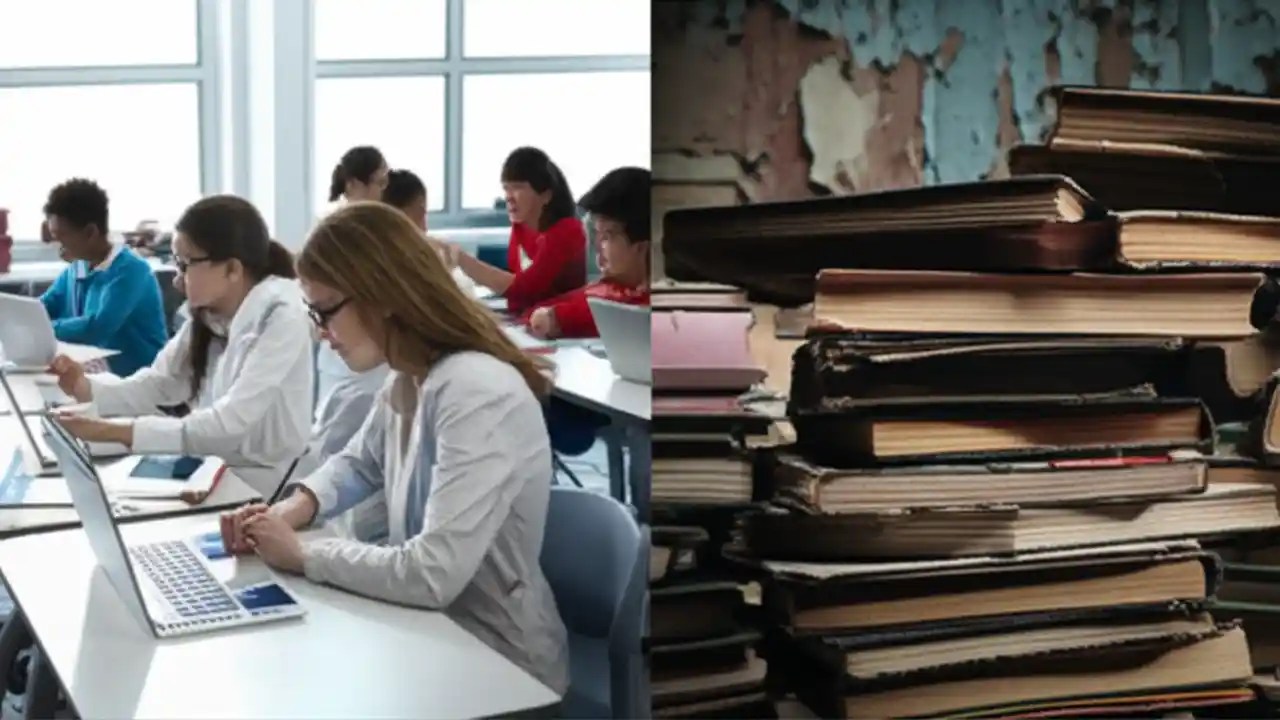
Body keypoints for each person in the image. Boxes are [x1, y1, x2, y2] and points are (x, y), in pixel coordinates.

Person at [220, 201, 569, 695]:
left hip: (500, 666)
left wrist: (302, 555)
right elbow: (359, 465)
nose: (323, 335)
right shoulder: (410, 374)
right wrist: (288, 512)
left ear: (381, 296)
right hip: (432, 635)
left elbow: (432, 574)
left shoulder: (475, 390)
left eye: (326, 313)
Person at [46, 195, 314, 500]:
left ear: (232, 269)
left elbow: (228, 425)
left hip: (265, 482)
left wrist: (115, 431)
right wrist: (85, 388)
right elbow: (161, 383)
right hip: (214, 467)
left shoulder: (280, 317)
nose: (177, 279)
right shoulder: (210, 313)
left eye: (185, 264)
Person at [38, 179, 168, 377]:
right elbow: (43, 308)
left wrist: (41, 329)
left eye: (60, 236)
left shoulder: (131, 271)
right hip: (99, 376)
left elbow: (96, 328)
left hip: (138, 385)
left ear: (90, 232)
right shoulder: (78, 267)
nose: (57, 245)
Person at [448, 146, 586, 314]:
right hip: (527, 320)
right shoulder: (521, 227)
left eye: (517, 187)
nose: (508, 197)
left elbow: (523, 289)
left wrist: (463, 260)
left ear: (546, 195)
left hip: (559, 328)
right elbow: (517, 299)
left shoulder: (568, 231)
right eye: (506, 188)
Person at [526, 167, 652, 339]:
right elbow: (534, 314)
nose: (597, 244)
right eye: (596, 233)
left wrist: (558, 318)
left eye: (607, 236)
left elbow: (630, 313)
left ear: (640, 247)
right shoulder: (611, 285)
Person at [382, 169, 478, 297]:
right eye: (423, 212)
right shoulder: (437, 259)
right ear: (420, 210)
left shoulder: (364, 261)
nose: (425, 228)